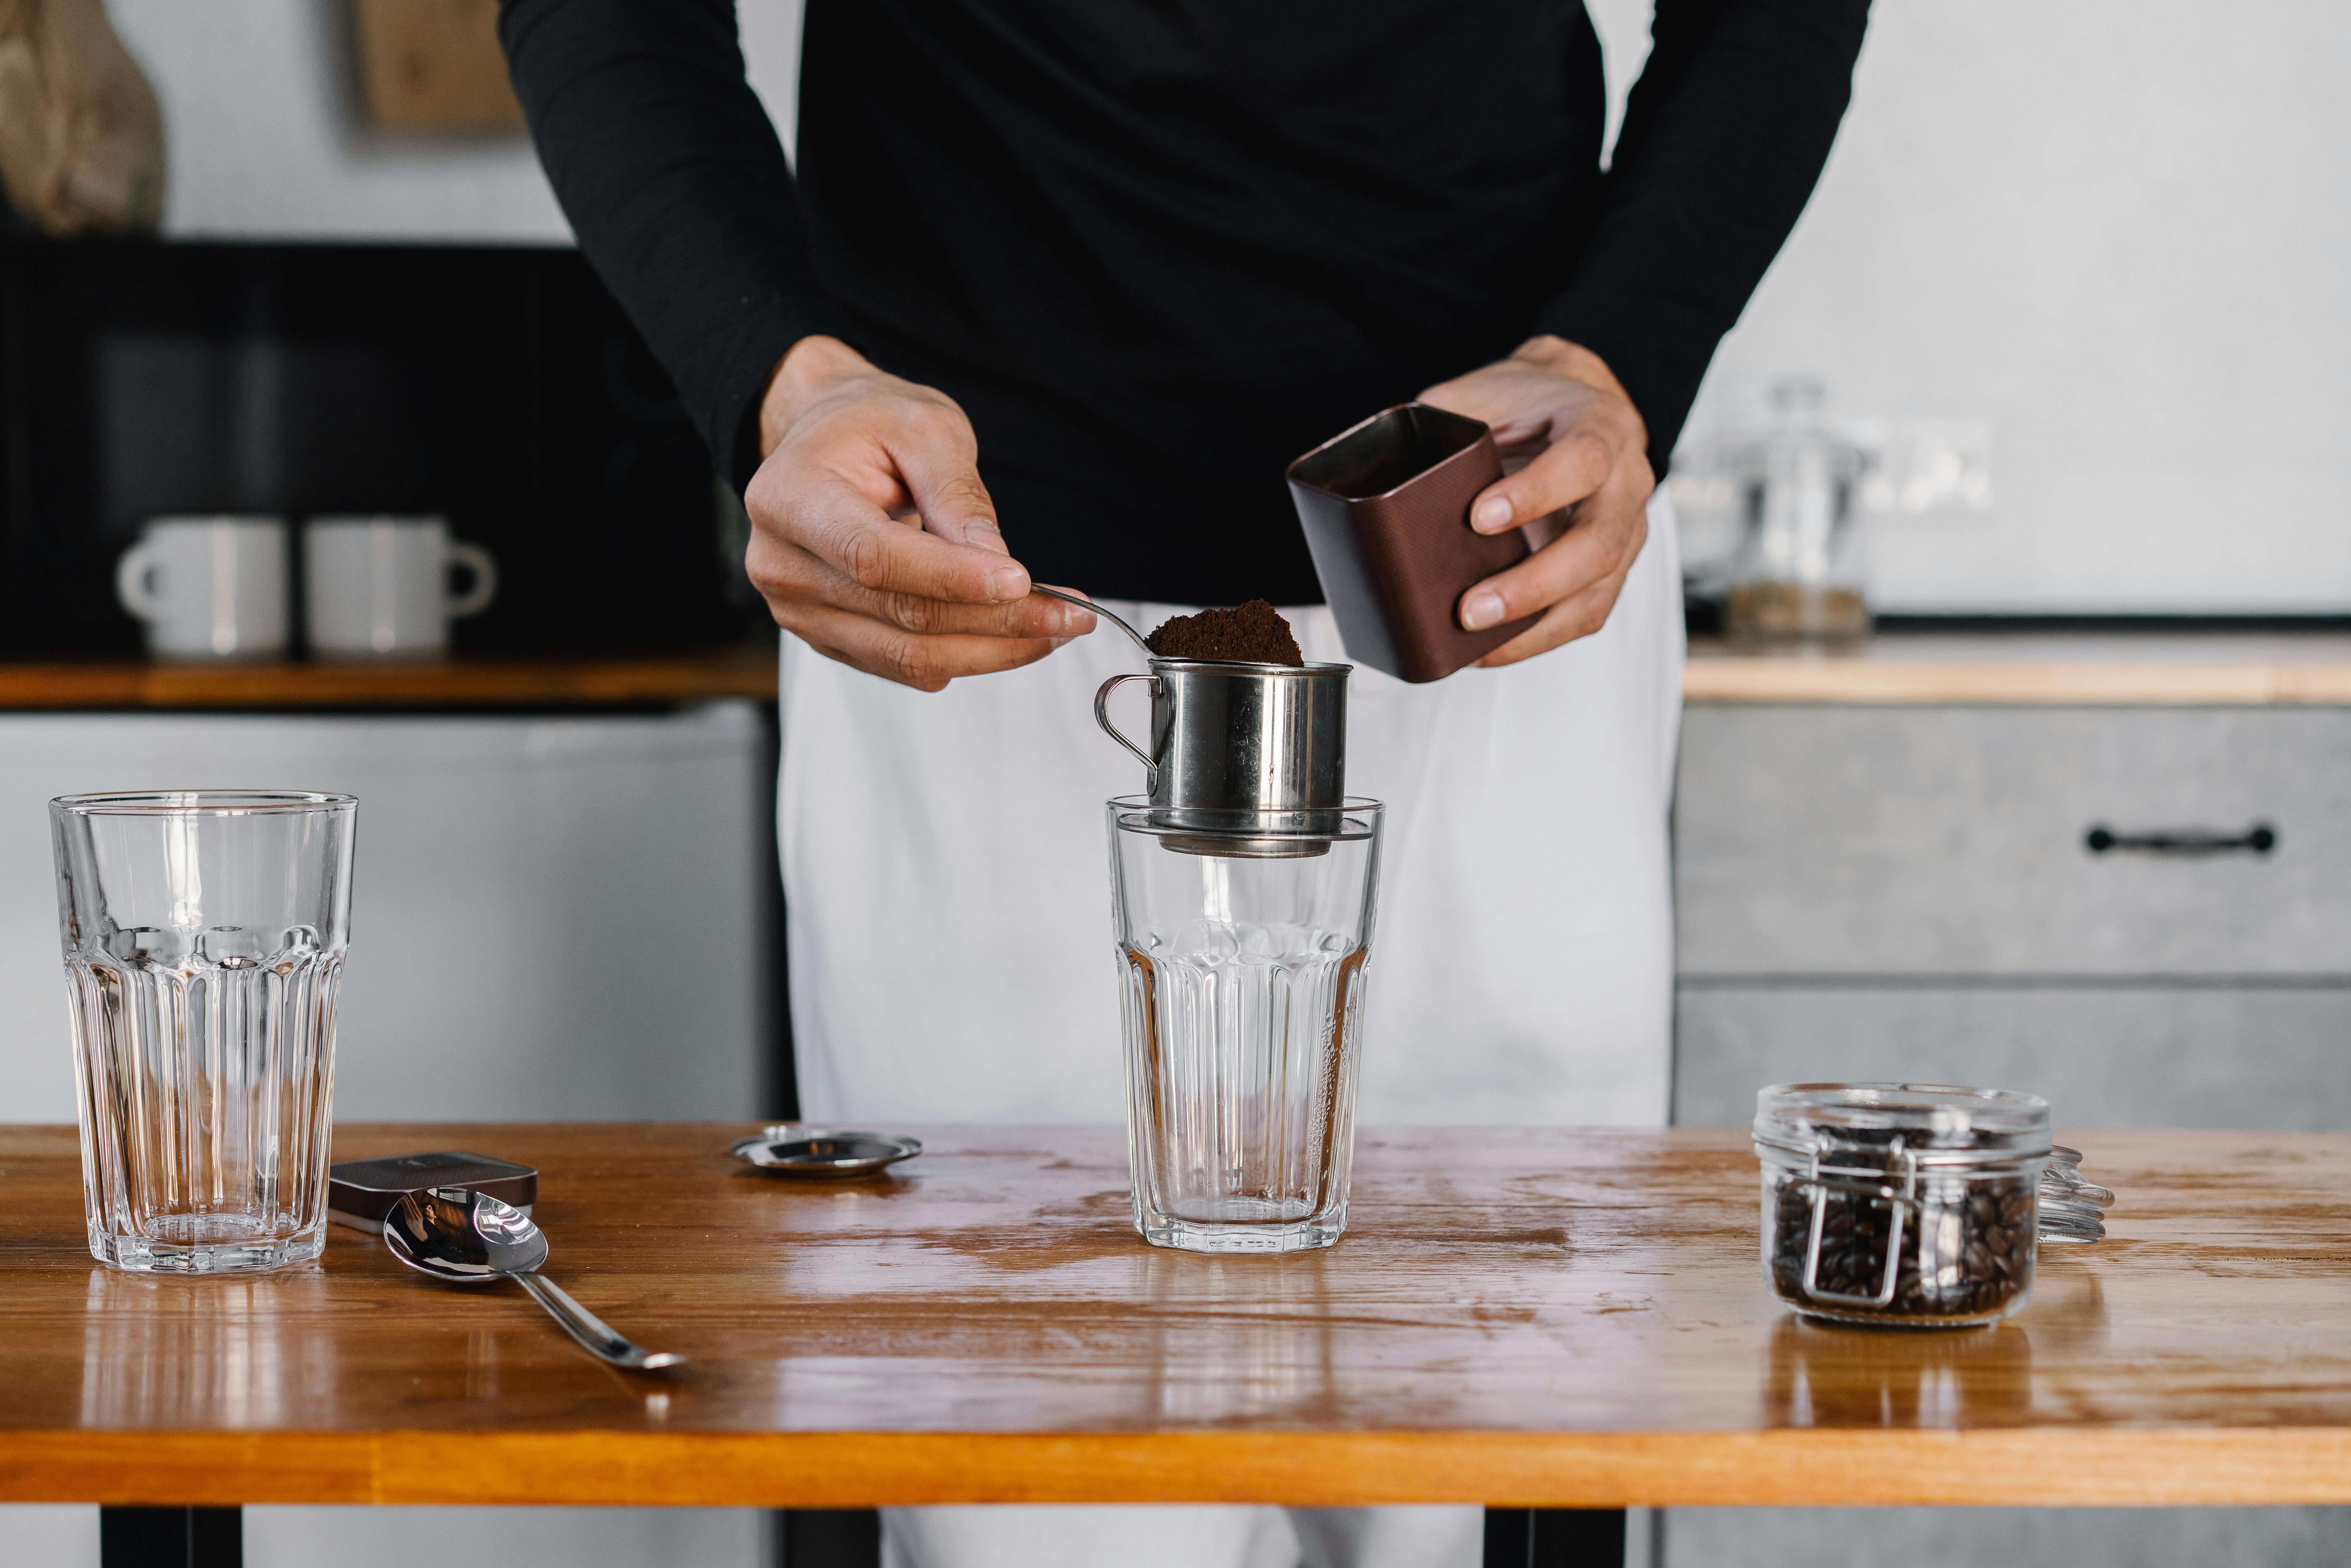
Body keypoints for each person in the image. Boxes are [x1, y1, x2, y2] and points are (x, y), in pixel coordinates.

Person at [501, 2, 1867, 1563]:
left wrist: (1619, 355)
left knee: (1484, 1459)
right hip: (966, 600)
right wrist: (780, 380)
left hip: (1487, 588)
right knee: (1035, 1508)